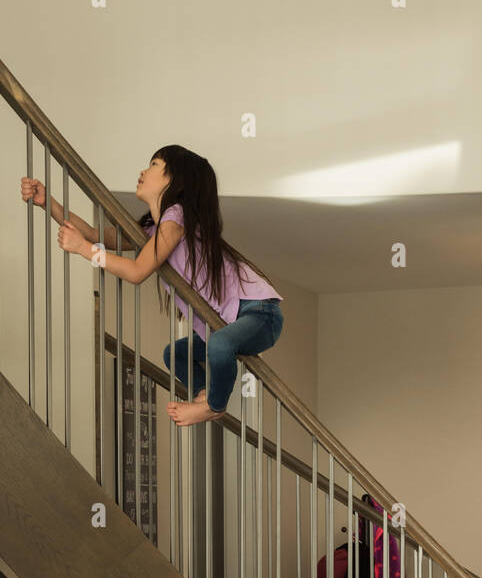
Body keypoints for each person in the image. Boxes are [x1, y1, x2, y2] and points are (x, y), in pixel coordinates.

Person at [20, 145, 284, 426]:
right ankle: (204, 393)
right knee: (176, 354)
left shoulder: (177, 217)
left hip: (259, 312)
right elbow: (96, 234)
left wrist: (85, 250)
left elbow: (136, 271)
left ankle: (213, 405)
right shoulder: (153, 230)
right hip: (228, 323)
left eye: (154, 164)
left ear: (174, 179)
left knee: (220, 343)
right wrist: (48, 202)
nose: (143, 171)